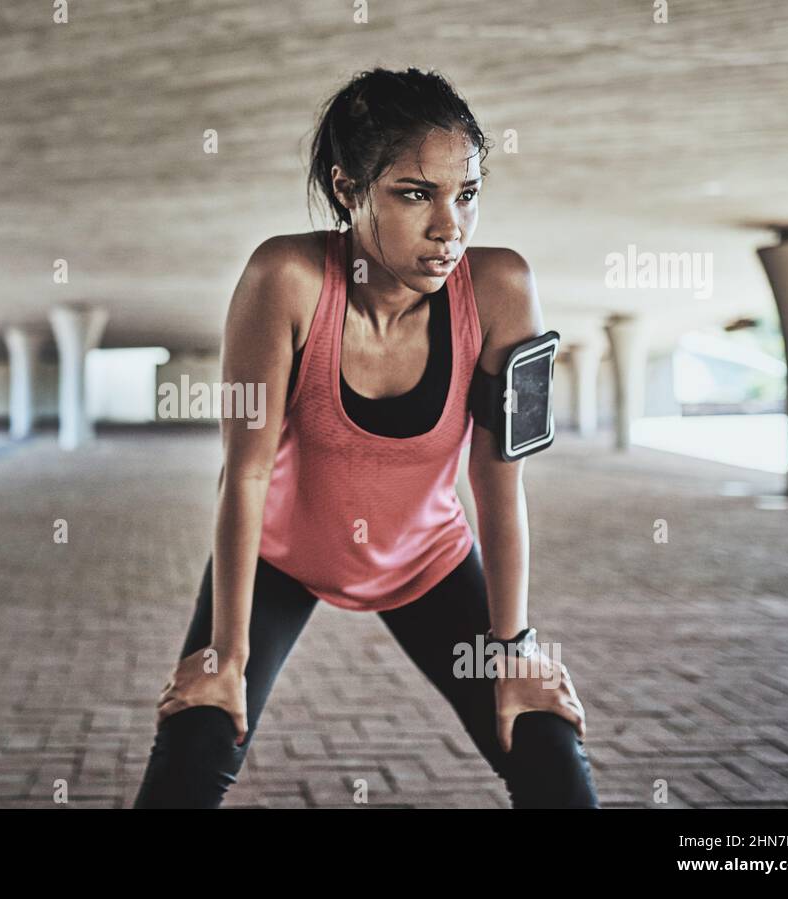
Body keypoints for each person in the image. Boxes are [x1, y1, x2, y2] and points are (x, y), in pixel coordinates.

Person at [132, 66, 599, 809]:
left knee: (545, 744)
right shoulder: (284, 277)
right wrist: (224, 653)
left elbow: (498, 481)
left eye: (467, 193)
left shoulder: (504, 287)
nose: (450, 226)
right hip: (281, 554)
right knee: (195, 740)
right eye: (415, 194)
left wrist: (514, 650)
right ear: (349, 188)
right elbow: (245, 474)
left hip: (429, 558)